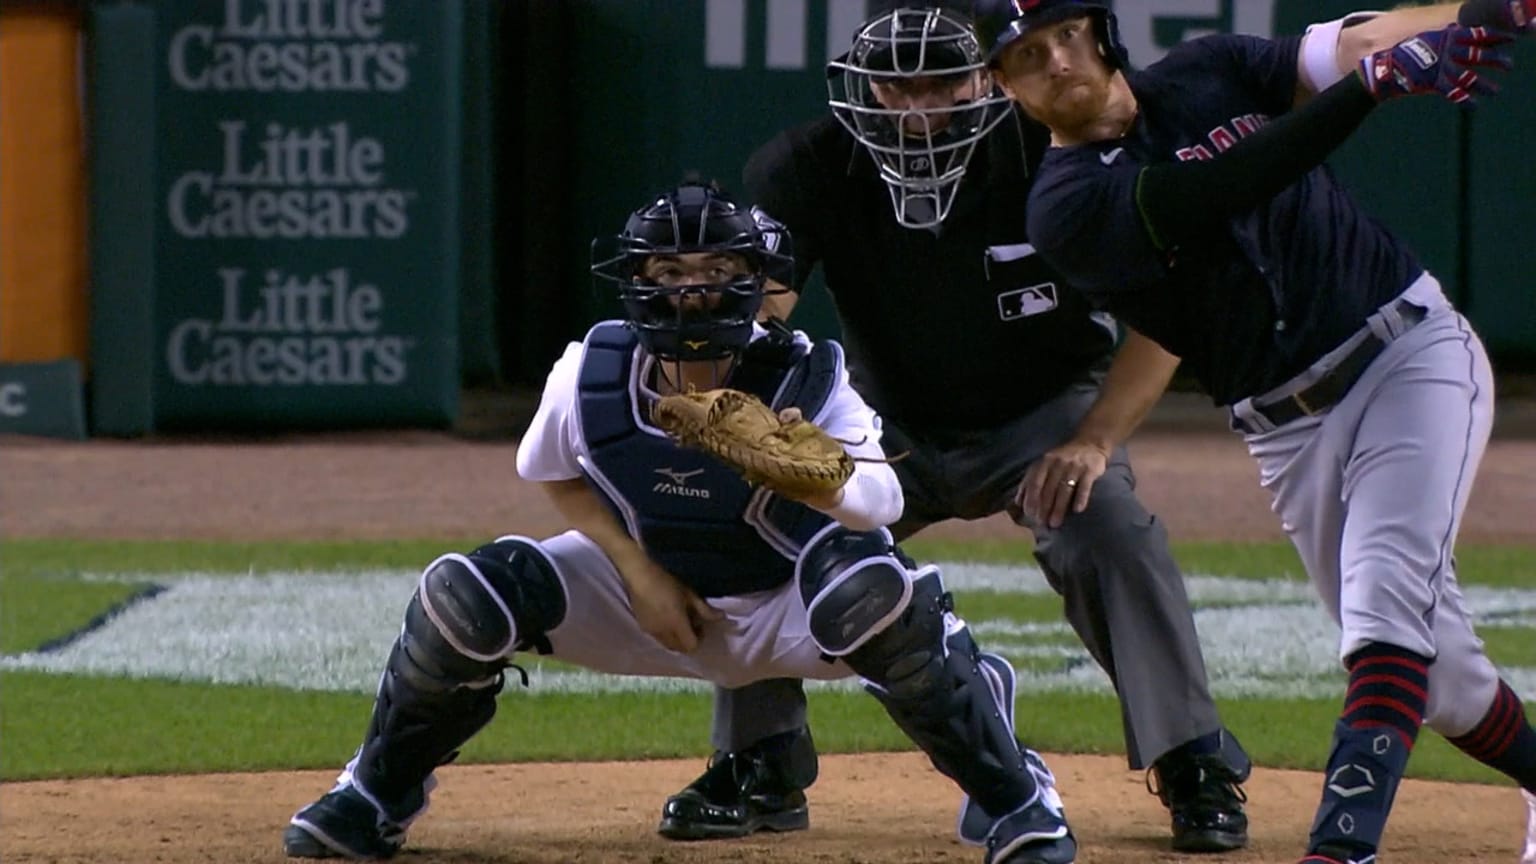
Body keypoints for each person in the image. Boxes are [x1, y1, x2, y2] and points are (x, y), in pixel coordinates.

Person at [280, 180, 1077, 864]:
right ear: (636, 282)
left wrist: (812, 474)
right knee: (466, 593)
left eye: (718, 271)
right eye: (669, 272)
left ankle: (1014, 792)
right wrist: (640, 574)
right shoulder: (590, 368)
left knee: (872, 592)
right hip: (654, 602)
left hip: (783, 608)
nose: (692, 291)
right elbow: (547, 472)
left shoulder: (807, 372)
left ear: (755, 280)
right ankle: (376, 791)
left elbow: (883, 509)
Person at [656, 2, 1253, 855]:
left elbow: (1166, 320)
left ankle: (1193, 759)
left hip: (1045, 410)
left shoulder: (1056, 150)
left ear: (991, 80)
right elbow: (769, 312)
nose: (918, 108)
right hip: (884, 418)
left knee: (1109, 531)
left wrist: (1092, 440)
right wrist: (730, 369)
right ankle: (761, 759)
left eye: (942, 81)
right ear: (863, 89)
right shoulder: (809, 165)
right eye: (898, 86)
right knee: (758, 522)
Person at [976, 0, 1536, 861]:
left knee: (1385, 609)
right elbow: (1218, 189)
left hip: (1409, 355)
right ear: (1002, 86)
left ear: (1101, 30)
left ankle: (1338, 849)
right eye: (1026, 55)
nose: (1056, 59)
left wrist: (1477, 11)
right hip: (1285, 430)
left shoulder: (1209, 69)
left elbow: (1354, 43)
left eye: (1066, 33)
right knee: (1444, 685)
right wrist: (1368, 93)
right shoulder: (1064, 207)